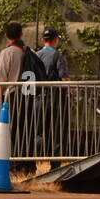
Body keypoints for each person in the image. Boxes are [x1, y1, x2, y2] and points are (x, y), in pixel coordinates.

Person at [0, 22, 34, 174]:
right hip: (28, 96)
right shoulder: (29, 51)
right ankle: (27, 165)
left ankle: (12, 165)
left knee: (9, 132)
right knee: (25, 131)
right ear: (21, 34)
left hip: (10, 97)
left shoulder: (7, 53)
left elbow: (0, 81)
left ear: (6, 36)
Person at [37, 27, 70, 166]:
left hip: (38, 100)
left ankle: (31, 163)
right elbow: (64, 79)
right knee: (56, 132)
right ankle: (55, 165)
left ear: (43, 40)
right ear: (55, 40)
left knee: (37, 131)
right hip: (55, 100)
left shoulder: (35, 55)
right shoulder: (58, 56)